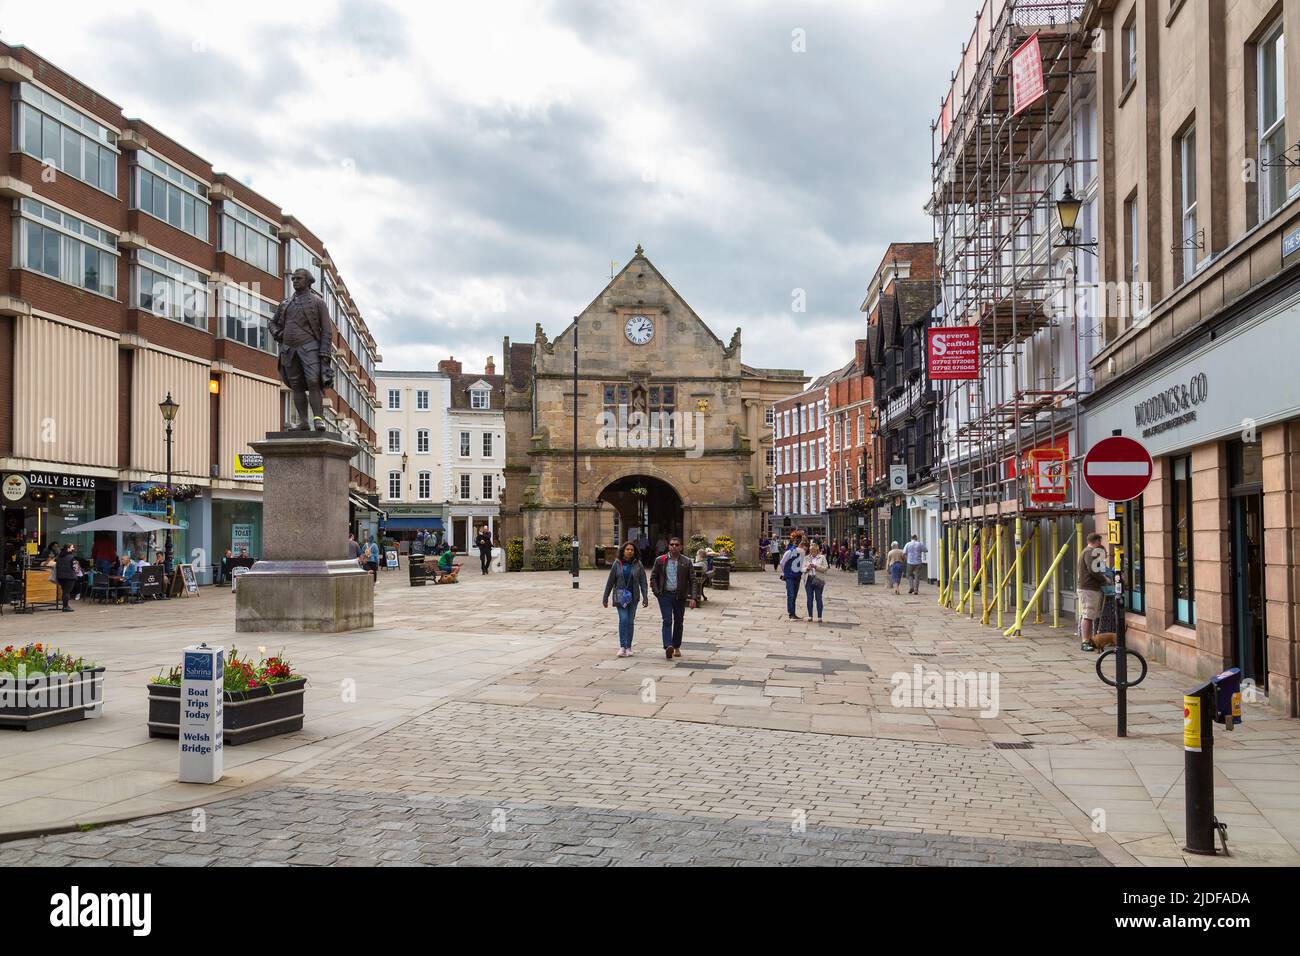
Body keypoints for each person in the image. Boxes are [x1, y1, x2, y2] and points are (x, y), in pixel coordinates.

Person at [602, 541, 649, 658]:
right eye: (627, 549)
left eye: (632, 550)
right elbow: (610, 581)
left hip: (633, 597)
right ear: (623, 551)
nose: (630, 551)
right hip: (620, 596)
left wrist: (645, 596)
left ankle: (629, 647)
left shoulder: (638, 564)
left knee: (630, 621)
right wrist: (605, 597)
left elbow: (643, 582)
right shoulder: (617, 564)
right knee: (623, 619)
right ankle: (622, 646)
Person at [650, 536, 692, 660]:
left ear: (681, 547)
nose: (674, 546)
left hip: (680, 596)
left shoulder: (686, 561)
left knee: (679, 621)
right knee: (667, 620)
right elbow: (653, 577)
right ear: (668, 546)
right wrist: (657, 592)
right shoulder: (660, 560)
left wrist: (693, 597)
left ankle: (676, 645)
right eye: (672, 544)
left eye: (677, 544)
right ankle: (668, 646)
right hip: (665, 595)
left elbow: (693, 580)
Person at [1077, 532, 1109, 652]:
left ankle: (1089, 640)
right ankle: (1085, 641)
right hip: (1089, 588)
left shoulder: (1086, 551)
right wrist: (1104, 579)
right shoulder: (1090, 552)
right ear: (1097, 541)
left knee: (1089, 615)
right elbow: (1093, 570)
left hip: (1089, 588)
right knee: (1088, 615)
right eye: (1100, 541)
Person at [778, 531, 806, 620]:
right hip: (790, 576)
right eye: (796, 539)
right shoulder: (789, 551)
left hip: (797, 576)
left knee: (794, 595)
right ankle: (791, 614)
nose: (797, 541)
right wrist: (786, 572)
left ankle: (793, 613)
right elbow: (782, 563)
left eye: (799, 539)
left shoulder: (802, 552)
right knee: (791, 594)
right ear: (793, 540)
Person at [803, 539, 829, 623]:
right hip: (809, 579)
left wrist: (816, 567)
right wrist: (807, 568)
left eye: (814, 551)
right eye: (811, 551)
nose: (812, 552)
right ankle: (810, 616)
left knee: (818, 598)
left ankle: (819, 617)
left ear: (817, 551)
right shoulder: (806, 558)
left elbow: (825, 568)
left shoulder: (822, 557)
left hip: (818, 579)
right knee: (809, 598)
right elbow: (802, 569)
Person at [55, 543, 78, 612]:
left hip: (61, 577)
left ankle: (65, 605)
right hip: (70, 577)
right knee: (67, 592)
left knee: (64, 591)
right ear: (68, 549)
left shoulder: (59, 557)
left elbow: (57, 566)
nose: (73, 549)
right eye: (72, 547)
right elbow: (76, 568)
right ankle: (65, 606)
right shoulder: (71, 557)